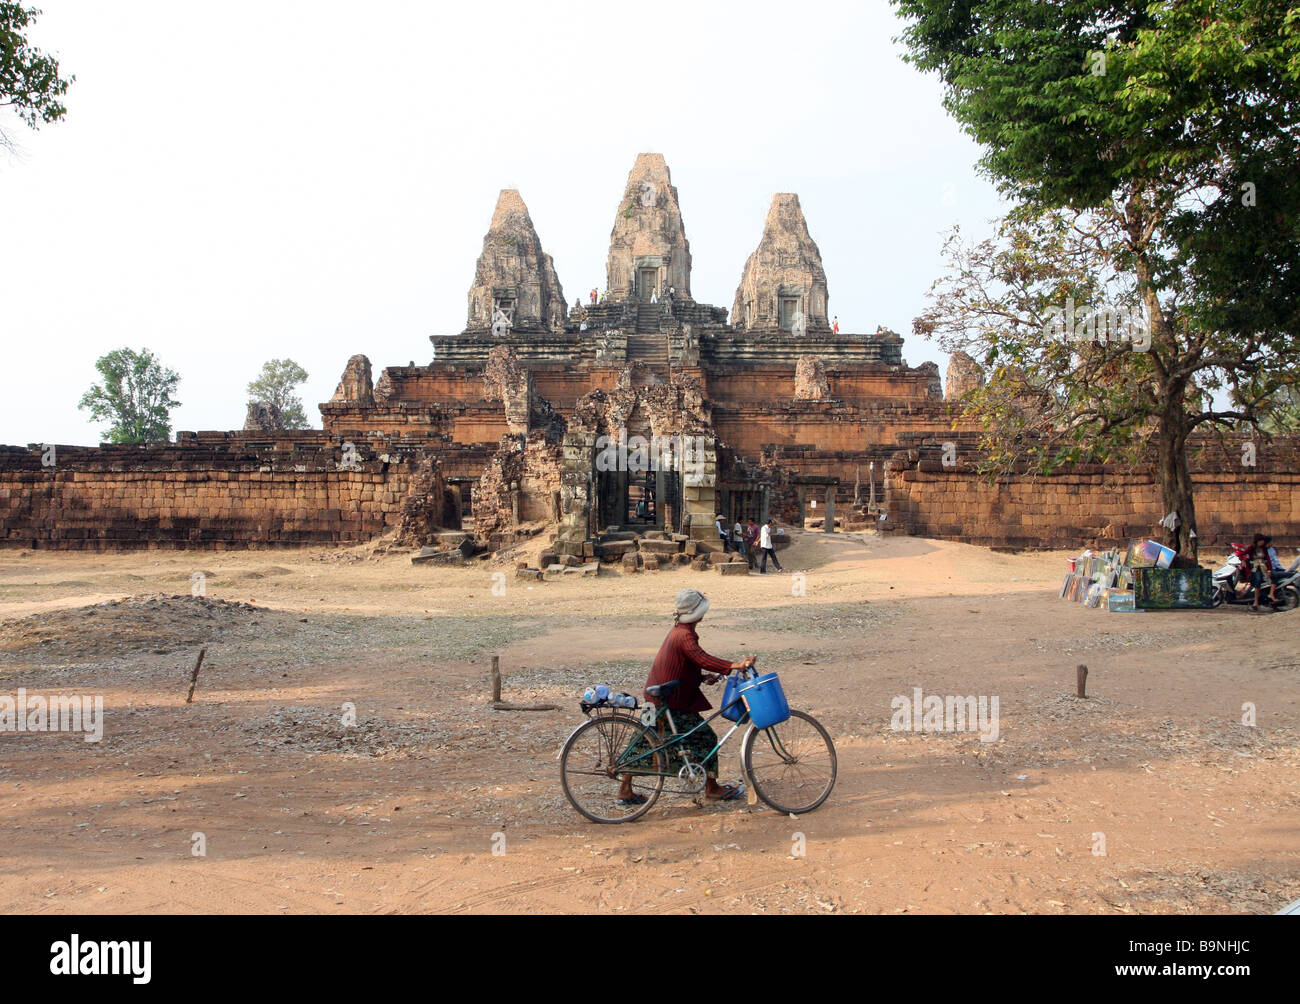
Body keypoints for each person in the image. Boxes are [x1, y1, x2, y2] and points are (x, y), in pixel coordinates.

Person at [618, 589, 755, 804]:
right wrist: (733, 665)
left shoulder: (678, 631)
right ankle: (711, 788)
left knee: (644, 741)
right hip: (669, 700)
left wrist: (702, 678)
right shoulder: (685, 635)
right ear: (697, 613)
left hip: (657, 694)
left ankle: (625, 789)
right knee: (705, 737)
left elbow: (684, 664)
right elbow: (700, 657)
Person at [1247, 533, 1283, 610]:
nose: (1263, 542)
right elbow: (1244, 554)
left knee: (1274, 576)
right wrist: (1244, 561)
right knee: (1258, 580)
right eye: (1261, 541)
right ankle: (1256, 601)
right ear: (1257, 541)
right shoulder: (1251, 548)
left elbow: (1268, 560)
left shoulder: (1264, 549)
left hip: (1264, 568)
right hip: (1256, 568)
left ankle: (1271, 594)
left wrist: (1269, 570)